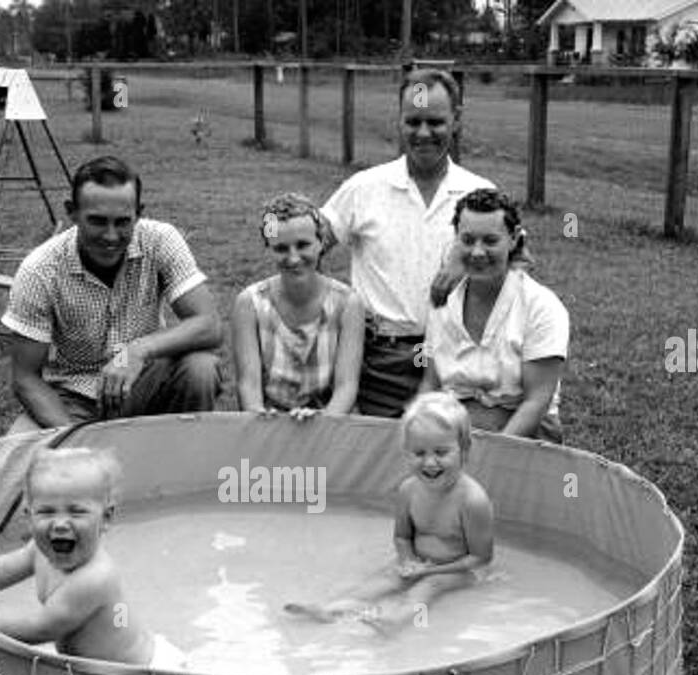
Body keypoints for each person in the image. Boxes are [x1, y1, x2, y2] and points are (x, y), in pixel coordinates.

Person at [319, 68, 495, 418]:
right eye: (413, 122)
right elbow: (308, 244)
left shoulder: (481, 194)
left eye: (436, 121)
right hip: (382, 361)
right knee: (382, 462)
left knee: (457, 456)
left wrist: (466, 259)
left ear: (456, 120)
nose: (424, 133)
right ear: (399, 121)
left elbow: (519, 265)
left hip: (460, 358)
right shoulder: (364, 188)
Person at [2, 156, 223, 432]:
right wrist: (75, 437)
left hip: (143, 381)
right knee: (16, 456)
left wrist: (136, 351)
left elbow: (209, 324)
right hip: (72, 398)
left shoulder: (161, 240)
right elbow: (25, 377)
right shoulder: (39, 270)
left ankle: (179, 452)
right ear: (72, 212)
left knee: (200, 369)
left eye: (122, 222)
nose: (110, 236)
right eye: (97, 221)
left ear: (138, 212)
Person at [0, 447, 187, 670]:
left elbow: (43, 627)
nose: (59, 524)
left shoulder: (94, 578)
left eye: (77, 512)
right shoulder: (39, 550)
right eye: (46, 511)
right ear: (28, 515)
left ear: (106, 518)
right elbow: (4, 568)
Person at [285, 392, 495, 632]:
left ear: (465, 450)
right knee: (387, 578)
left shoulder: (472, 500)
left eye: (441, 452)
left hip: (464, 571)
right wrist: (408, 560)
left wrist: (432, 570)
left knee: (430, 586)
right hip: (421, 562)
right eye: (419, 453)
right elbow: (402, 537)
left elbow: (481, 559)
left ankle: (396, 620)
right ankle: (333, 609)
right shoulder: (408, 490)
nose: (429, 463)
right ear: (406, 452)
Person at [421, 188, 568, 443]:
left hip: (522, 438)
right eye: (467, 240)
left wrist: (491, 455)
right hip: (453, 433)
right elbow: (430, 385)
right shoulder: (443, 302)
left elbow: (536, 401)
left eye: (490, 241)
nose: (477, 252)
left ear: (512, 239)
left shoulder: (541, 306)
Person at [232, 192, 365, 419]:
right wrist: (261, 419)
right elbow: (249, 385)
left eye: (302, 245)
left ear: (321, 243)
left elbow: (346, 387)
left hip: (325, 424)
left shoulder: (347, 304)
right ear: (269, 248)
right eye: (281, 248)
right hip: (268, 425)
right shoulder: (249, 304)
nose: (293, 258)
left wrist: (322, 424)